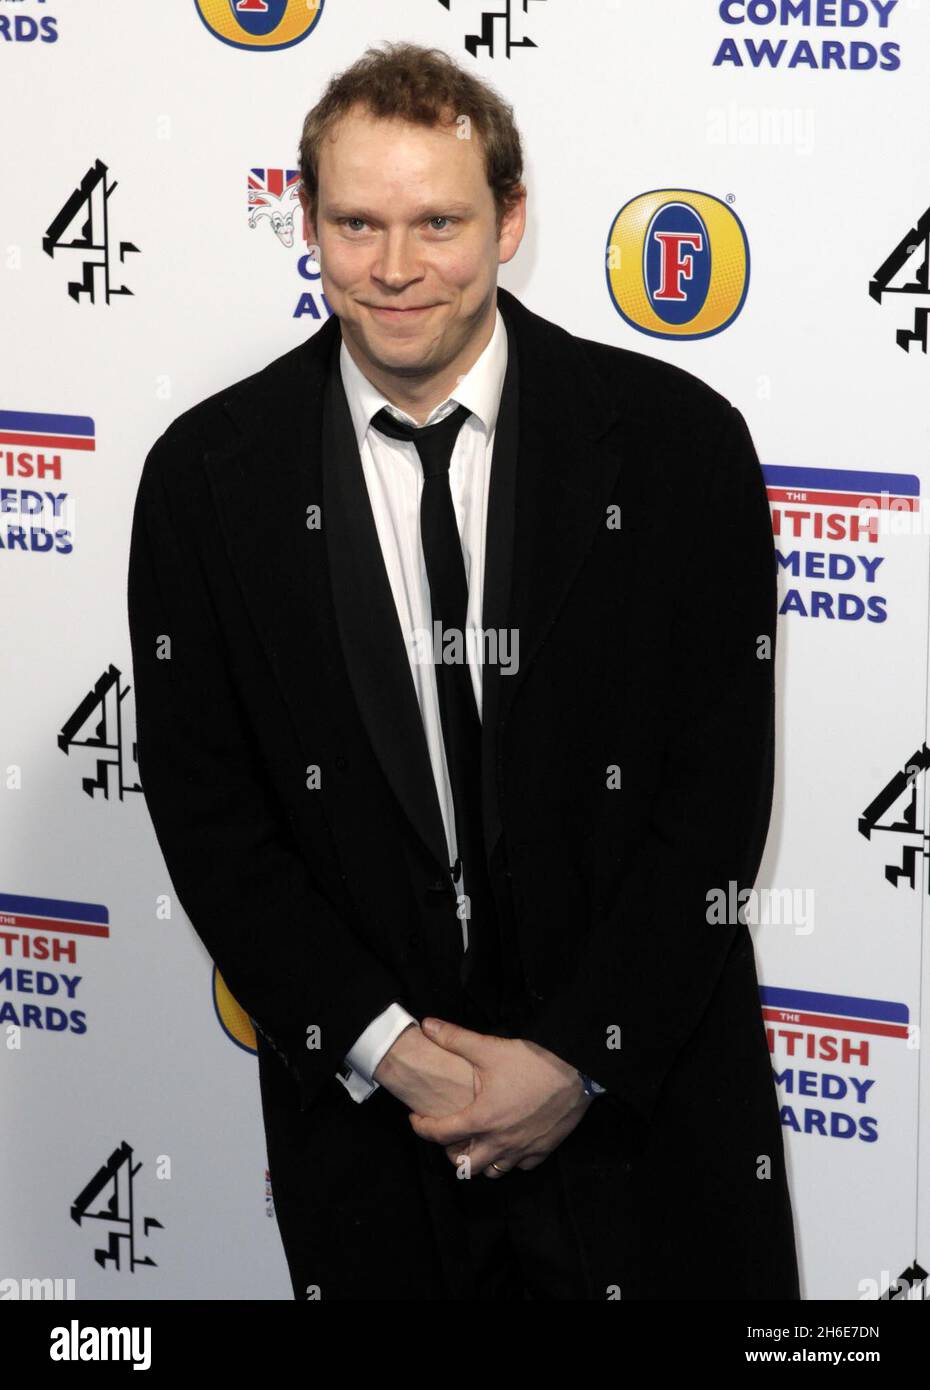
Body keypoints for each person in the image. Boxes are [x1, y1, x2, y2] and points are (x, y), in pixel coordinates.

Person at [127, 40, 800, 1300]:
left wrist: (575, 1059)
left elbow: (711, 798)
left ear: (512, 219)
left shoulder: (676, 448)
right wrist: (396, 1055)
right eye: (356, 222)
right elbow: (212, 814)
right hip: (377, 1148)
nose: (393, 268)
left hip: (645, 1127)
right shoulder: (207, 480)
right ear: (307, 221)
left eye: (438, 221)